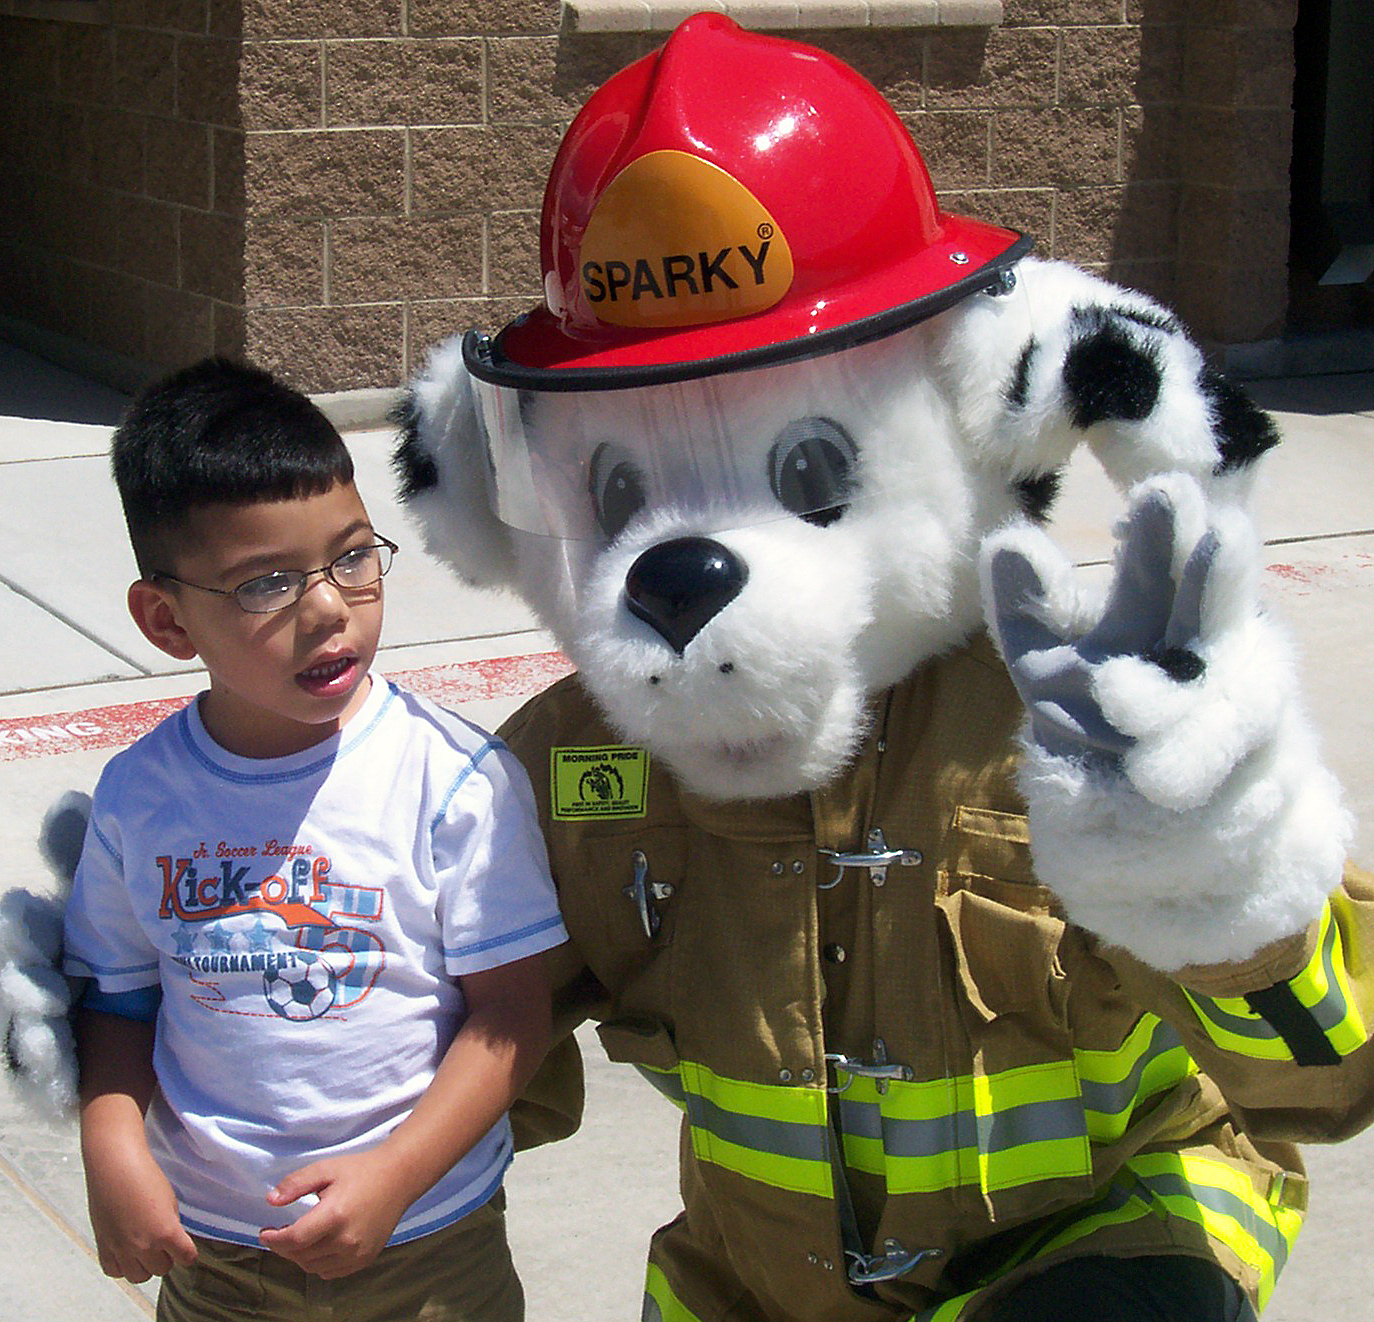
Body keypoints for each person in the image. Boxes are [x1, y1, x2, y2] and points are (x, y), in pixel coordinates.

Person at [62, 357, 568, 1322]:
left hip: (427, 1246)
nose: (330, 606)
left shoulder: (449, 780)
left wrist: (395, 1175)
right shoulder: (140, 796)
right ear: (167, 619)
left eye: (351, 556)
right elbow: (119, 999)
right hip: (213, 1257)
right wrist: (113, 1150)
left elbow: (510, 1016)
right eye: (267, 585)